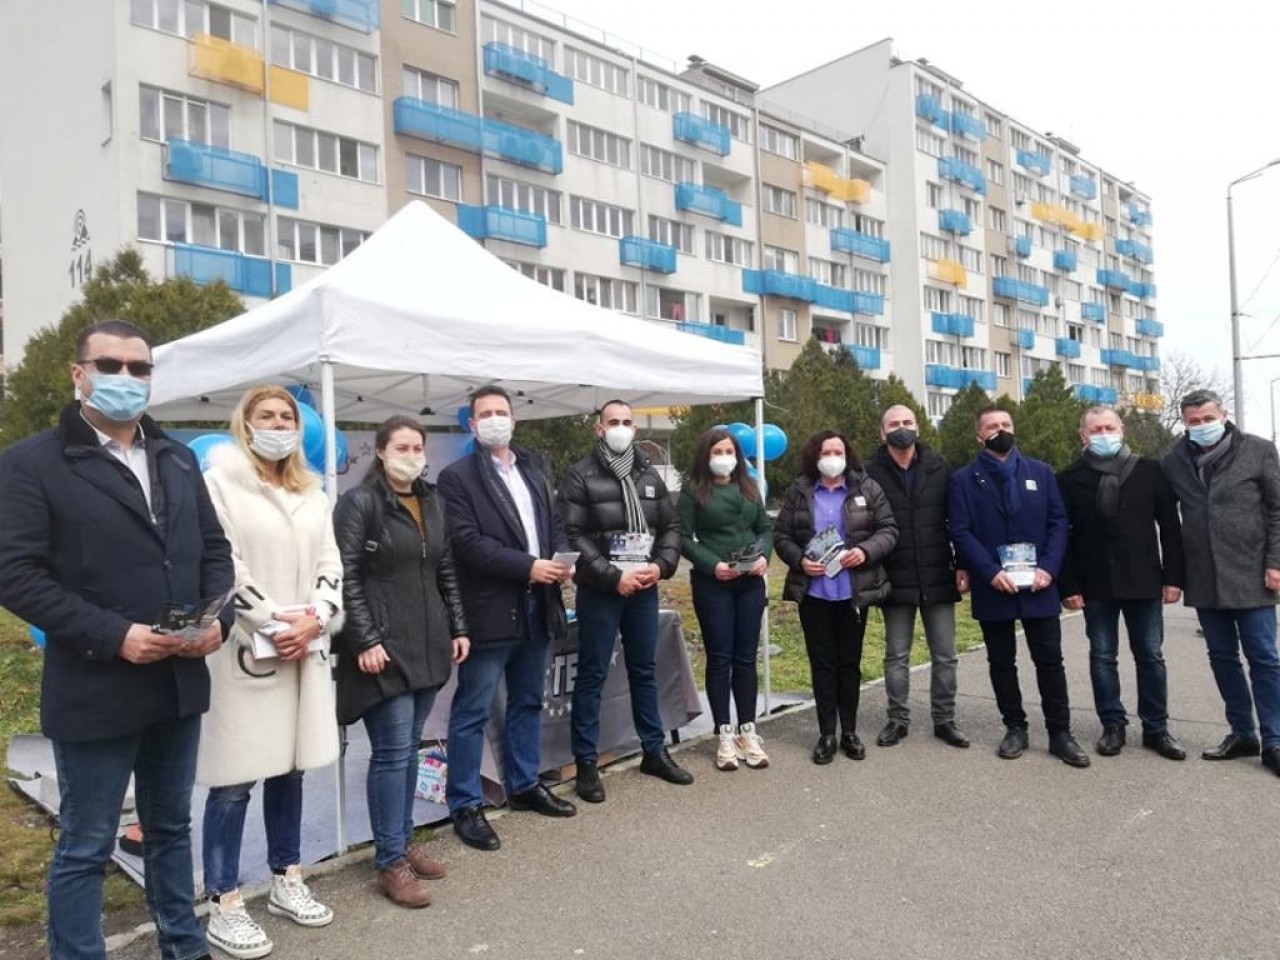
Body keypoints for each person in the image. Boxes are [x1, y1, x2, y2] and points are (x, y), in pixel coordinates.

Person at [0, 320, 233, 960]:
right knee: (86, 842)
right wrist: (115, 635)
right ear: (78, 373)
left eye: (140, 368)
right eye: (111, 364)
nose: (127, 378)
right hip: (96, 684)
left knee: (168, 829)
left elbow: (214, 553)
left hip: (178, 680)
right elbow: (15, 575)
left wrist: (218, 623)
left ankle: (185, 948)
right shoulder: (32, 463)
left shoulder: (177, 459)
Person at [198, 386, 344, 958]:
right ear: (245, 423)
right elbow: (223, 563)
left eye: (286, 416)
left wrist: (318, 617)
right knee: (234, 781)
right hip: (245, 650)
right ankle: (224, 901)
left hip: (303, 648)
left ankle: (288, 877)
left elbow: (331, 562)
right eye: (267, 416)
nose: (278, 424)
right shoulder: (221, 484)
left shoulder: (315, 495)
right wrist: (275, 620)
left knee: (291, 768)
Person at [333, 416, 469, 907]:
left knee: (409, 748)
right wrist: (363, 639)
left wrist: (459, 626)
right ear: (381, 452)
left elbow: (446, 568)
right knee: (390, 753)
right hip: (381, 648)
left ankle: (403, 841)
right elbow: (343, 575)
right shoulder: (359, 503)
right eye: (402, 446)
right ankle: (390, 861)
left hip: (427, 640)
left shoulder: (432, 501)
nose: (412, 454)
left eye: (418, 446)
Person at [436, 387, 575, 852]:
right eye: (485, 414)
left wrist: (559, 559)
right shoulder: (457, 479)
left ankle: (523, 783)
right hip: (490, 610)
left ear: (514, 420)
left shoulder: (533, 471)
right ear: (471, 425)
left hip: (540, 603)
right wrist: (527, 565)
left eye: (502, 412)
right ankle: (465, 804)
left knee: (527, 702)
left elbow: (551, 523)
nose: (495, 420)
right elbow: (467, 543)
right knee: (473, 710)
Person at [558, 399, 690, 802]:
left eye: (626, 422)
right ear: (599, 429)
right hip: (602, 591)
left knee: (644, 670)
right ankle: (585, 762)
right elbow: (572, 535)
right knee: (593, 675)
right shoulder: (580, 476)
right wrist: (613, 577)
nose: (620, 428)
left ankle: (654, 749)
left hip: (644, 589)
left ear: (635, 428)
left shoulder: (648, 474)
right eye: (612, 422)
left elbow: (671, 527)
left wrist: (661, 567)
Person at [949, 407, 1089, 768]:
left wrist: (1049, 569)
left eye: (1006, 425)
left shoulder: (1041, 473)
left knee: (1049, 661)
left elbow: (1059, 522)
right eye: (992, 427)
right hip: (994, 583)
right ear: (979, 436)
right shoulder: (964, 479)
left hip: (1040, 584)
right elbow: (960, 531)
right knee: (1001, 661)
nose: (1001, 430)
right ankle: (1015, 727)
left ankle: (1060, 732)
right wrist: (988, 571)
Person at [1058, 406, 1187, 761]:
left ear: (1122, 429)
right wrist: (1067, 585)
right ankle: (1112, 725)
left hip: (1144, 580)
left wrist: (1173, 577)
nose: (1103, 433)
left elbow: (1171, 528)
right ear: (1082, 435)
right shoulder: (1068, 478)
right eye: (1095, 429)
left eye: (1109, 427)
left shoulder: (1150, 471)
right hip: (1094, 582)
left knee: (1150, 655)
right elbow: (1061, 536)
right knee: (1102, 656)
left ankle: (1156, 728)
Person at [1163, 389, 1280, 776]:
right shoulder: (1174, 460)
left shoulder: (1258, 450)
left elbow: (1278, 510)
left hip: (1252, 572)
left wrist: (1275, 562)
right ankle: (1242, 732)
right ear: (1185, 423)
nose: (1201, 427)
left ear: (1223, 414)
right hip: (1205, 575)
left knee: (1264, 658)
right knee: (1222, 657)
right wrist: (1175, 577)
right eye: (1193, 421)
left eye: (1207, 419)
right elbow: (1171, 523)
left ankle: (1275, 739)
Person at [773, 430, 897, 765]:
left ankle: (850, 732)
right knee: (822, 664)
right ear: (815, 456)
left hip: (851, 592)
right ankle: (827, 733)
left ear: (848, 455)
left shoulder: (866, 488)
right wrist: (800, 560)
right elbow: (782, 535)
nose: (832, 457)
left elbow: (888, 530)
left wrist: (865, 551)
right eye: (826, 451)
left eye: (838, 451)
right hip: (814, 593)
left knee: (849, 664)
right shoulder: (800, 491)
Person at [864, 405, 970, 750]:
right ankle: (898, 719)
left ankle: (945, 720)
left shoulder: (939, 467)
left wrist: (963, 565)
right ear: (882, 433)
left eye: (907, 422)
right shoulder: (868, 472)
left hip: (938, 572)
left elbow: (957, 521)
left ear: (918, 428)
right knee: (896, 654)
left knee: (945, 654)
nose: (901, 428)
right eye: (894, 423)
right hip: (894, 576)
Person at [676, 427, 773, 771]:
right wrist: (712, 565)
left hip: (750, 582)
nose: (724, 457)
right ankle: (724, 733)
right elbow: (683, 537)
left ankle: (748, 729)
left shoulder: (748, 487)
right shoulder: (693, 491)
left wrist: (763, 556)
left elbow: (765, 528)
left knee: (745, 658)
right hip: (713, 582)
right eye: (717, 451)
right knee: (720, 658)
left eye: (729, 450)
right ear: (706, 455)